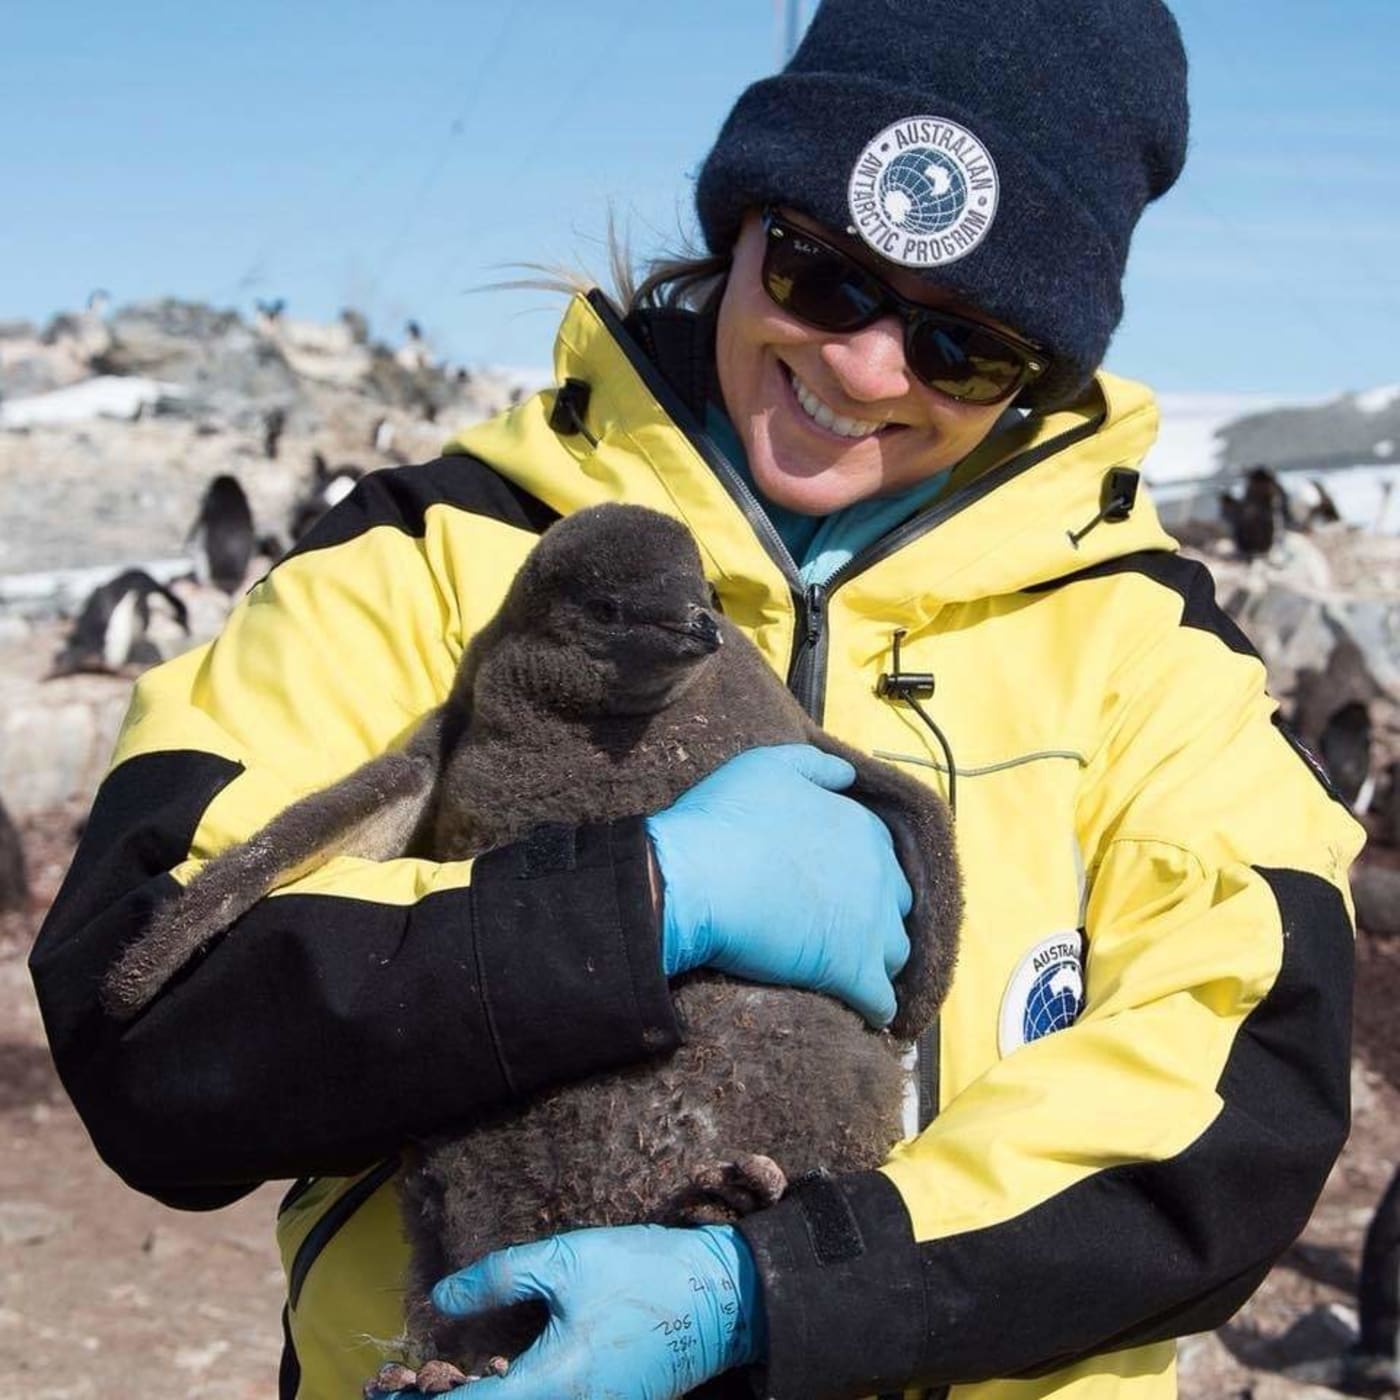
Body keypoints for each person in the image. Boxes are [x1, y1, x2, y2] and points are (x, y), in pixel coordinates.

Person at [30, 2, 1364, 1397]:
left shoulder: (1146, 653)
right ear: (742, 226)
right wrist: (633, 907)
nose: (864, 369)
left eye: (962, 348)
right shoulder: (433, 555)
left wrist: (769, 1294)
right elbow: (148, 1012)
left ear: (1042, 373)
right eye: (822, 276)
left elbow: (1242, 1110)